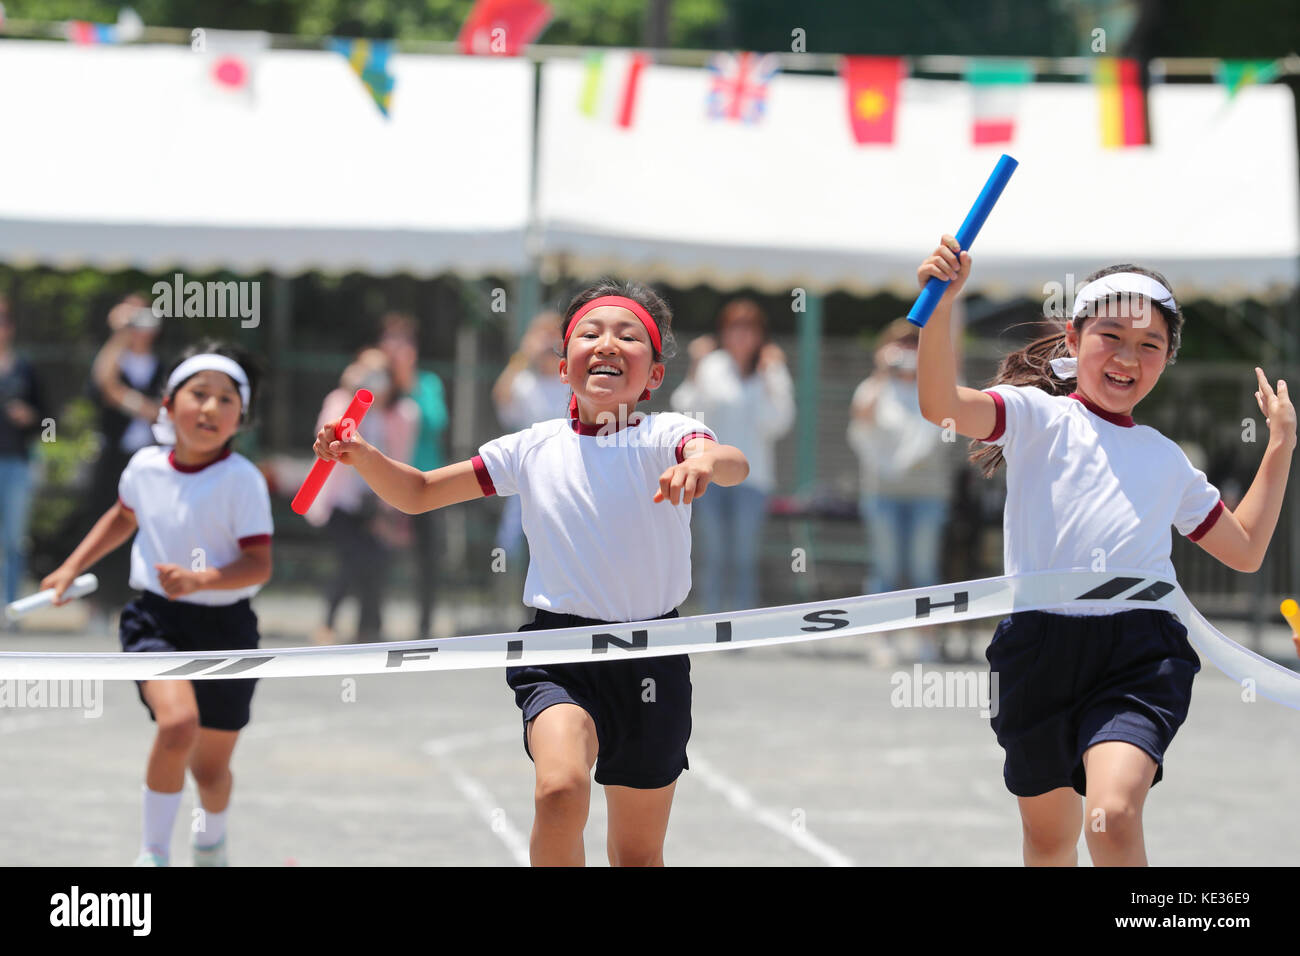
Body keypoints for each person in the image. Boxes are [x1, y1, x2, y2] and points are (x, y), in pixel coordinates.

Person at [311, 280, 749, 866]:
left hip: (654, 655)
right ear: (562, 366)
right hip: (558, 651)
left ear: (654, 377)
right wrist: (362, 455)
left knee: (638, 855)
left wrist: (701, 464)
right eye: (589, 334)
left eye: (629, 336)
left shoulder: (666, 435)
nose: (607, 345)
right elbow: (416, 493)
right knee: (559, 790)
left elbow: (730, 462)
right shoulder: (531, 447)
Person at [916, 235, 1295, 866]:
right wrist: (944, 306)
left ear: (1167, 359)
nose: (1128, 357)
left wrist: (1279, 445)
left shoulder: (1166, 459)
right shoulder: (1037, 417)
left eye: (1150, 345)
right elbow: (941, 406)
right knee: (1047, 840)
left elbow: (1247, 549)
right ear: (1072, 339)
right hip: (1037, 648)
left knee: (1111, 817)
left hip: (1139, 653)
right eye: (1110, 337)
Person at [42, 342, 273, 867]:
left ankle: (210, 840)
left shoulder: (243, 480)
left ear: (241, 418)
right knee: (176, 727)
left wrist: (203, 579)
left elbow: (259, 565)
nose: (211, 408)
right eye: (198, 394)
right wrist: (72, 566)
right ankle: (152, 854)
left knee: (211, 773)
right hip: (156, 619)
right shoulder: (144, 467)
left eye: (226, 399)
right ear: (167, 406)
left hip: (229, 629)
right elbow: (123, 517)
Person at [670, 298, 793, 612]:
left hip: (753, 479)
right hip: (710, 477)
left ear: (759, 335)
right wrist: (696, 365)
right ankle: (711, 620)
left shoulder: (772, 370)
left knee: (743, 557)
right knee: (713, 553)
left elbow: (778, 422)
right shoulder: (712, 366)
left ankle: (741, 626)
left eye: (748, 329)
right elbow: (685, 409)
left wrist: (769, 375)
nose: (740, 336)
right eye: (733, 328)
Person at [848, 319, 954, 661]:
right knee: (886, 568)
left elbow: (946, 427)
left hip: (928, 494)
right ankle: (883, 639)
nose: (908, 351)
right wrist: (882, 374)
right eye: (901, 345)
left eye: (914, 344)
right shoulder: (872, 387)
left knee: (924, 568)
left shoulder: (936, 387)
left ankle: (925, 640)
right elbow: (860, 424)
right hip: (883, 493)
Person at [307, 348, 416, 644]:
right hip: (342, 502)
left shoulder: (402, 414)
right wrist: (351, 392)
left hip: (378, 503)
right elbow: (326, 436)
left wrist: (388, 511)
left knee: (376, 563)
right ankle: (328, 622)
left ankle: (369, 627)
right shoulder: (339, 402)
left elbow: (401, 459)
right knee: (351, 560)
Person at [85, 294, 165, 612]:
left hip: (149, 456)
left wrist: (134, 402)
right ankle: (100, 601)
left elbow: (163, 410)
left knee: (145, 525)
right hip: (114, 457)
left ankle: (140, 598)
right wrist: (119, 333)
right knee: (106, 522)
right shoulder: (114, 358)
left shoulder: (161, 364)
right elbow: (103, 383)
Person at [379, 313, 449, 640]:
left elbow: (436, 422)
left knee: (428, 561)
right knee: (375, 554)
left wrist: (409, 388)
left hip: (427, 484)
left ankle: (424, 625)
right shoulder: (377, 385)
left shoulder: (428, 384)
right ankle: (372, 622)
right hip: (383, 485)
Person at [490, 311, 569, 559]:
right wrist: (523, 354)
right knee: (511, 540)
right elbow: (501, 399)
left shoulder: (575, 382)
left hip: (566, 474)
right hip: (526, 473)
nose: (547, 343)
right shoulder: (524, 381)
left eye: (553, 335)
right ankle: (506, 591)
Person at [0, 298, 48, 608]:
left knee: (14, 540)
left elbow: (48, 421)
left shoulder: (26, 368)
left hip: (17, 462)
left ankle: (10, 606)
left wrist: (30, 417)